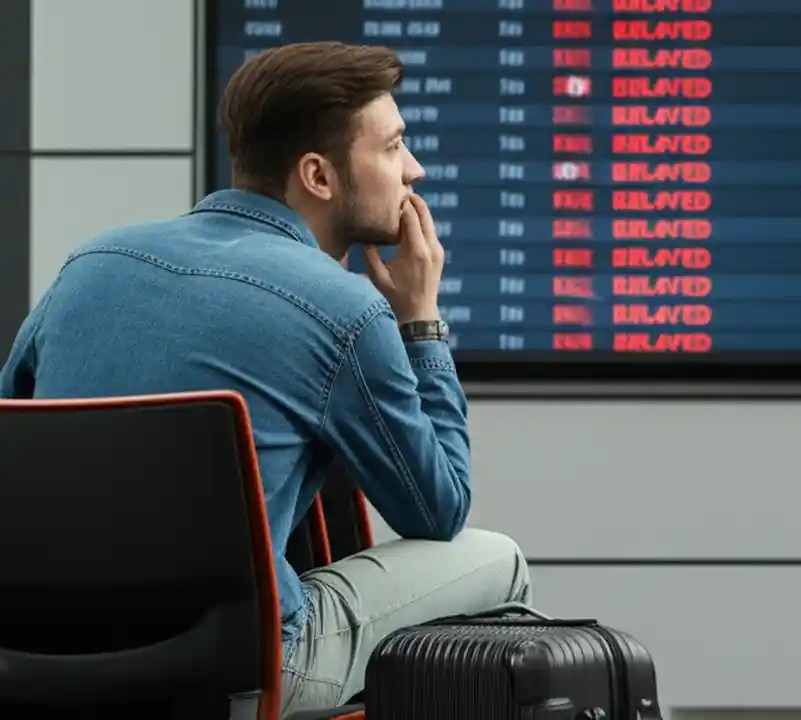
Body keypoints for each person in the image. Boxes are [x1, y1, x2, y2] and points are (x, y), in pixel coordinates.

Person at [0, 41, 530, 714]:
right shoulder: (343, 310)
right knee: (496, 558)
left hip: (39, 663)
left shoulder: (91, 263)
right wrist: (421, 322)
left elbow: (14, 429)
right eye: (393, 148)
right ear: (318, 175)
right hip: (241, 676)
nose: (414, 171)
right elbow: (438, 509)